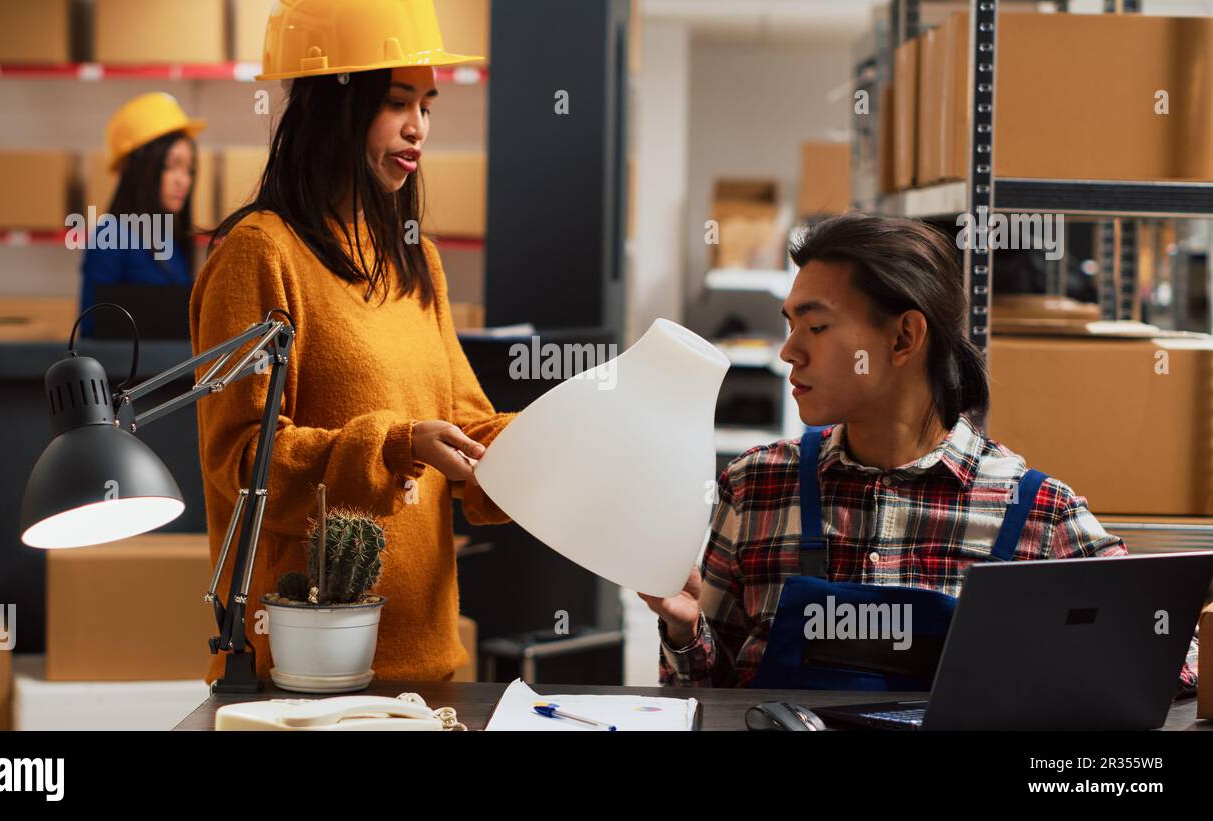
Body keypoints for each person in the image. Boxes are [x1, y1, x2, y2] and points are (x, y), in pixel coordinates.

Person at [640, 213, 1198, 694]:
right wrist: (687, 635)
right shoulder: (756, 487)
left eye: (815, 326)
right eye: (790, 326)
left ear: (905, 338)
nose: (790, 351)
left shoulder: (1036, 514)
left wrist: (1051, 677)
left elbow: (1176, 656)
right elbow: (703, 701)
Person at [191, 0, 511, 684]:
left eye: (427, 104)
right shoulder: (257, 255)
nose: (418, 127)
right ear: (334, 106)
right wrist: (392, 447)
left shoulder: (413, 258)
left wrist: (548, 441)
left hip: (425, 662)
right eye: (398, 102)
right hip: (304, 673)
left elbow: (464, 424)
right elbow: (244, 461)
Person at [79, 93, 205, 335]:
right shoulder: (111, 237)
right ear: (141, 168)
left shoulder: (169, 236)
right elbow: (92, 330)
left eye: (189, 169)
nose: (184, 181)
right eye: (172, 166)